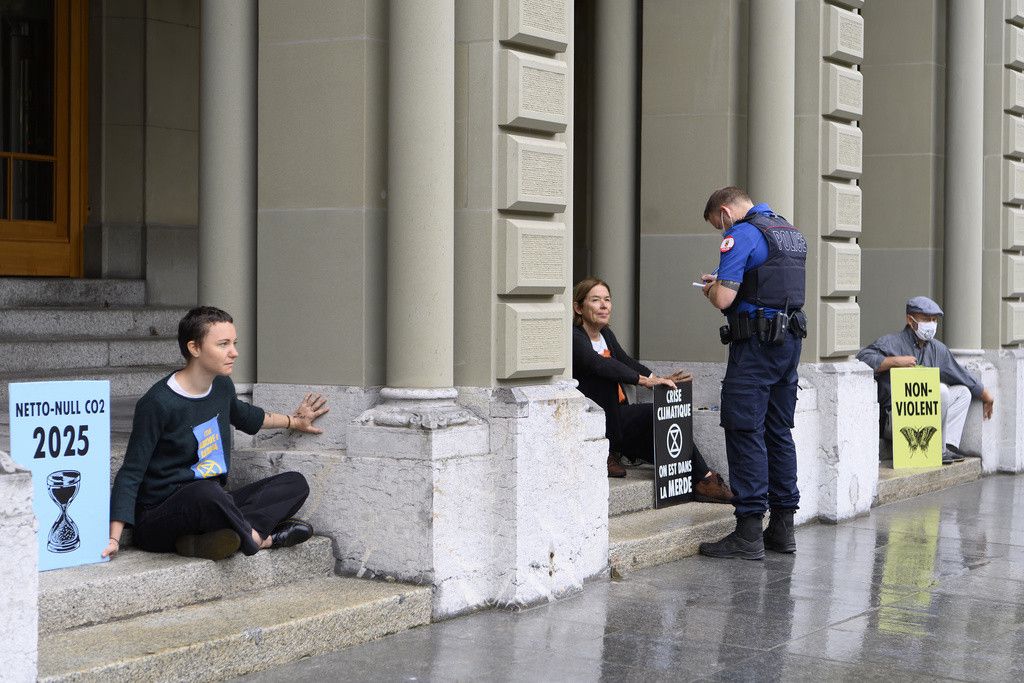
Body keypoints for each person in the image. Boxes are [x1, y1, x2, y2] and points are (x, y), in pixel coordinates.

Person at [102, 306, 330, 561]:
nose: (234, 352)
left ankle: (203, 541)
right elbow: (131, 471)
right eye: (223, 344)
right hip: (159, 517)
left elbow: (247, 416)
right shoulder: (158, 403)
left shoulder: (221, 386)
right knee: (206, 493)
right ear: (194, 348)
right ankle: (259, 539)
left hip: (212, 503)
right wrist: (114, 538)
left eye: (234, 343)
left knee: (294, 483)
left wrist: (294, 421)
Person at [696, 187, 808, 560]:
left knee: (745, 431)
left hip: (755, 349)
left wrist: (712, 289)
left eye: (718, 224)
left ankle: (747, 533)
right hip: (789, 345)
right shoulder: (790, 232)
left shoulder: (741, 233)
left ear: (726, 212)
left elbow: (726, 299)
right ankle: (782, 528)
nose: (720, 231)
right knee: (778, 432)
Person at [571, 277, 733, 503]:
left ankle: (700, 479)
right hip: (594, 421)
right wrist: (644, 381)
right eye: (596, 300)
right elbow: (600, 364)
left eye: (607, 300)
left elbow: (626, 362)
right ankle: (607, 452)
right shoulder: (574, 337)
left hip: (617, 418)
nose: (604, 305)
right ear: (578, 307)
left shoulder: (606, 334)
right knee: (649, 411)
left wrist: (658, 378)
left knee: (663, 427)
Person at [856, 296, 994, 464]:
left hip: (925, 417)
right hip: (894, 420)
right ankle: (938, 450)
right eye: (926, 319)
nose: (931, 324)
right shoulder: (891, 343)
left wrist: (985, 393)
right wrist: (894, 362)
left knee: (962, 393)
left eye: (934, 320)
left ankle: (946, 447)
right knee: (941, 389)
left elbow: (961, 374)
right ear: (910, 320)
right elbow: (862, 360)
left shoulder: (937, 349)